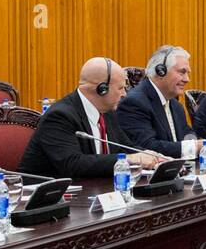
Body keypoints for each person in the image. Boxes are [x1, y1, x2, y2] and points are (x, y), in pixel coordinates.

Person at [20, 57, 160, 179]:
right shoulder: (60, 116)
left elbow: (124, 146)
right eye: (120, 88)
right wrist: (129, 159)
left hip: (91, 190)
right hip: (46, 197)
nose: (124, 94)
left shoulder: (107, 111)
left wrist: (148, 155)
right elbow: (73, 164)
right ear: (102, 89)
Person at [116, 46, 206, 159]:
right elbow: (146, 147)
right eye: (182, 72)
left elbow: (187, 136)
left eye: (187, 73)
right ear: (160, 71)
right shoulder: (135, 102)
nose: (187, 79)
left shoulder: (175, 105)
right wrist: (196, 146)